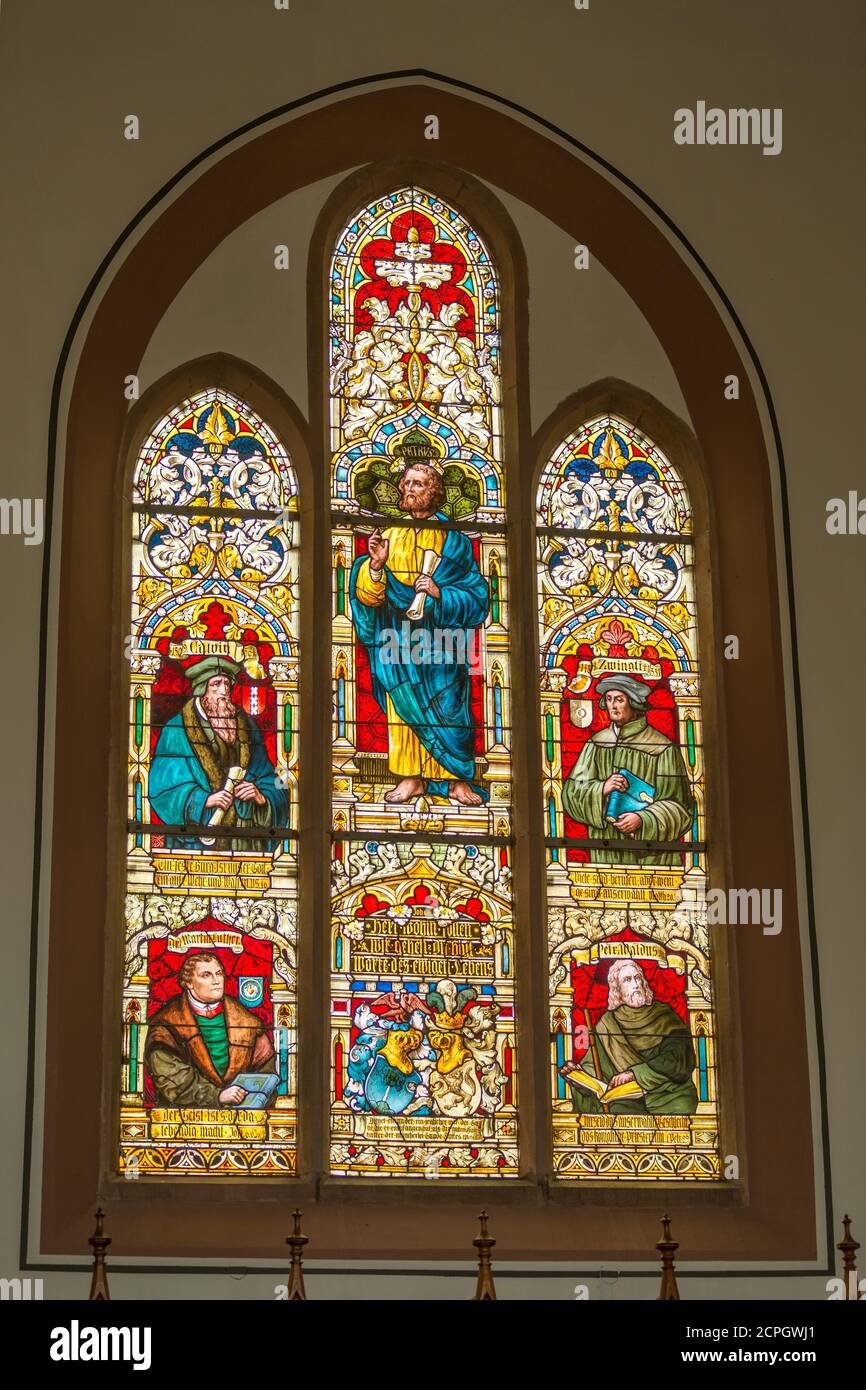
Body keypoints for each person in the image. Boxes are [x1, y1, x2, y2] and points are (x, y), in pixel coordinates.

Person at [349, 436, 490, 806]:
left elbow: (477, 595)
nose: (409, 490)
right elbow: (367, 596)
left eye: (418, 484)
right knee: (402, 707)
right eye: (406, 484)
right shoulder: (389, 536)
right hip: (398, 640)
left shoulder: (455, 541)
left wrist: (440, 593)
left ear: (435, 492)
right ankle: (410, 777)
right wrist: (376, 567)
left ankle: (457, 779)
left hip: (443, 643)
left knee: (451, 706)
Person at [148, 654, 287, 848]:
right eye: (216, 684)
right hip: (195, 840)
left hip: (243, 839)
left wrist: (260, 795)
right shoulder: (176, 729)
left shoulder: (247, 726)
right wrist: (203, 800)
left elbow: (270, 778)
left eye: (227, 685)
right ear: (201, 690)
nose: (223, 691)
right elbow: (161, 786)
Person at [562, 674, 692, 864]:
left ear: (634, 704)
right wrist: (602, 788)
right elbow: (571, 794)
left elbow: (681, 808)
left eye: (619, 700)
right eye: (608, 699)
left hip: (652, 860)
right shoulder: (596, 743)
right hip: (604, 855)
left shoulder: (661, 747)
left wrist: (644, 819)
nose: (612, 706)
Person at [562, 959, 698, 1116]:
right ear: (617, 990)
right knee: (616, 1112)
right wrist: (578, 1076)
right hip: (628, 1100)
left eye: (638, 977)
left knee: (680, 1107)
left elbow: (680, 1061)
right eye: (627, 980)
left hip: (669, 1095)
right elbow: (596, 1068)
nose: (635, 984)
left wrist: (635, 1074)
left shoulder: (665, 1016)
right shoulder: (607, 1024)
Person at [145, 953, 275, 1108]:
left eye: (219, 973)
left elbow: (266, 1070)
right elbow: (171, 1079)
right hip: (182, 1122)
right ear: (188, 983)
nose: (216, 981)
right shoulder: (166, 1024)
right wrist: (217, 1096)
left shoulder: (247, 1021)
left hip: (242, 1121)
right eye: (206, 975)